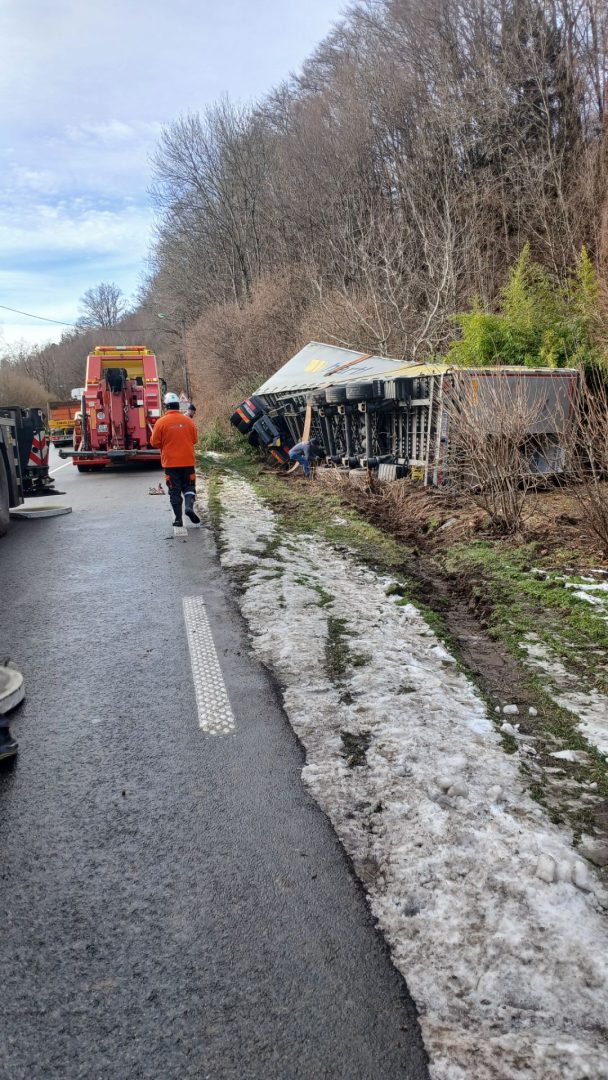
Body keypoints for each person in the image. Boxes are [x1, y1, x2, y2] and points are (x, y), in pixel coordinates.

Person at [150, 392, 200, 527]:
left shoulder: (161, 422)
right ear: (178, 405)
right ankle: (189, 507)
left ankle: (178, 519)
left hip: (170, 464)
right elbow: (195, 440)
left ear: (166, 407)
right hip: (188, 462)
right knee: (189, 487)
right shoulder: (189, 421)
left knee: (174, 490)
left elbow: (154, 443)